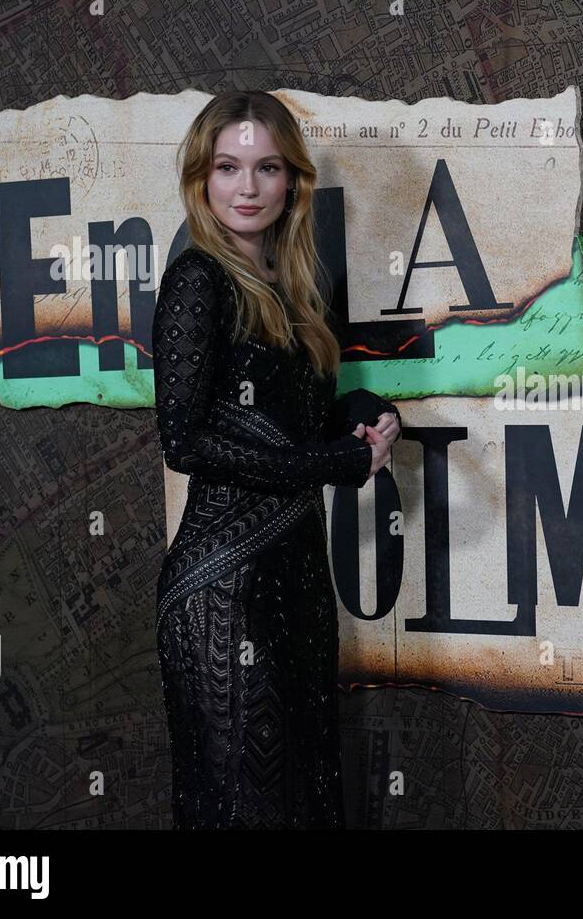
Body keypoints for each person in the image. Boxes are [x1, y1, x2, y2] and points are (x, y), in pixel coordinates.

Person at [152, 90, 400, 828]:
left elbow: (301, 417)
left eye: (265, 168)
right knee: (245, 808)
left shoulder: (291, 291)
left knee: (304, 795)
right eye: (228, 168)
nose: (247, 188)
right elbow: (185, 441)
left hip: (297, 580)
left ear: (293, 179)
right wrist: (335, 465)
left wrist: (367, 417)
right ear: (202, 179)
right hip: (223, 590)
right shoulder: (198, 281)